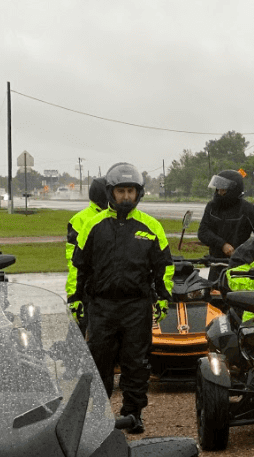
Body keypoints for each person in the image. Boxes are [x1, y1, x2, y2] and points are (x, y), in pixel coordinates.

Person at [69, 162, 173, 434]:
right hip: (101, 306)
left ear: (138, 193)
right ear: (110, 193)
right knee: (99, 360)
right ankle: (99, 415)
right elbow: (79, 266)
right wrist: (75, 298)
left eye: (131, 191)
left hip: (136, 306)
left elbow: (164, 266)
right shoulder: (93, 225)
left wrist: (163, 297)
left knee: (135, 362)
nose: (126, 196)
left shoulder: (151, 227)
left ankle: (133, 412)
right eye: (121, 191)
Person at [65, 177, 109, 335]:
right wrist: (73, 296)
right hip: (87, 289)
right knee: (82, 334)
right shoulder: (80, 220)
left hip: (111, 290)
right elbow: (74, 261)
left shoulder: (116, 216)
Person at [197, 170, 254, 264]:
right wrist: (223, 245)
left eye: (223, 189)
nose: (219, 192)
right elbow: (203, 232)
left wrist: (245, 251)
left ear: (233, 190)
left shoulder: (249, 210)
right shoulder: (212, 207)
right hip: (216, 261)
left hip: (240, 263)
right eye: (218, 189)